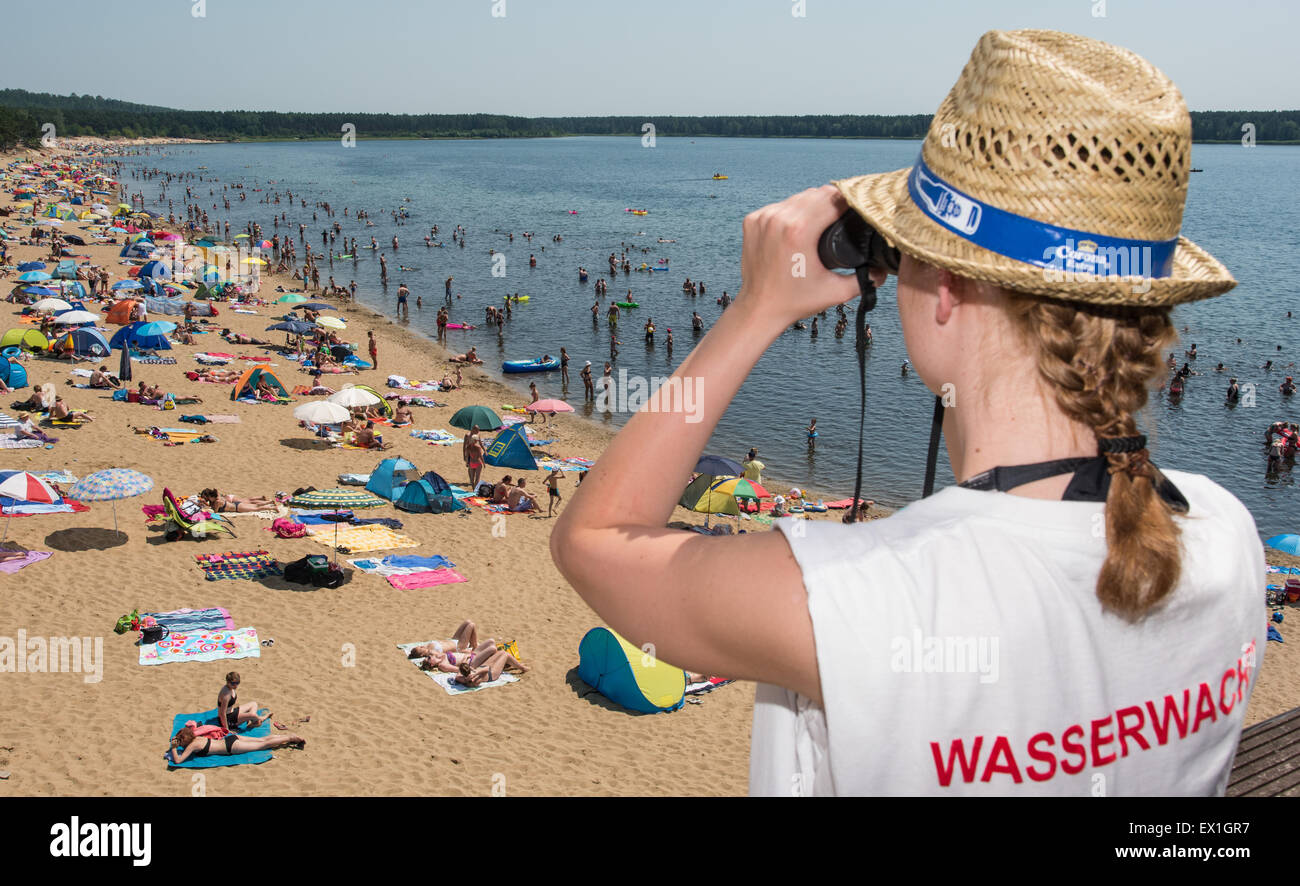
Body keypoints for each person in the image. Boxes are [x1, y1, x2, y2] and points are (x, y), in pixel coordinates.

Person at [549, 30, 1260, 796]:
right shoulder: (1224, 534)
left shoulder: (864, 599)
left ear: (948, 291)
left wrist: (755, 310)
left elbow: (593, 540)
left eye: (907, 250)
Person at [168, 725, 304, 763]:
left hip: (231, 747)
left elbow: (178, 760)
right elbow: (184, 734)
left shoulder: (193, 746)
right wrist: (178, 739)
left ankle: (290, 738)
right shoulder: (197, 737)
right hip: (230, 739)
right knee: (263, 740)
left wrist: (174, 748)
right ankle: (285, 736)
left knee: (263, 745)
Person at [464, 425, 485, 490]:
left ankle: (473, 488)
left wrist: (467, 462)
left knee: (472, 478)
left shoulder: (468, 447)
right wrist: (484, 463)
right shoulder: (478, 447)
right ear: (476, 440)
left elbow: (467, 456)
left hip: (471, 463)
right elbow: (480, 456)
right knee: (477, 478)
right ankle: (475, 490)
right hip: (478, 463)